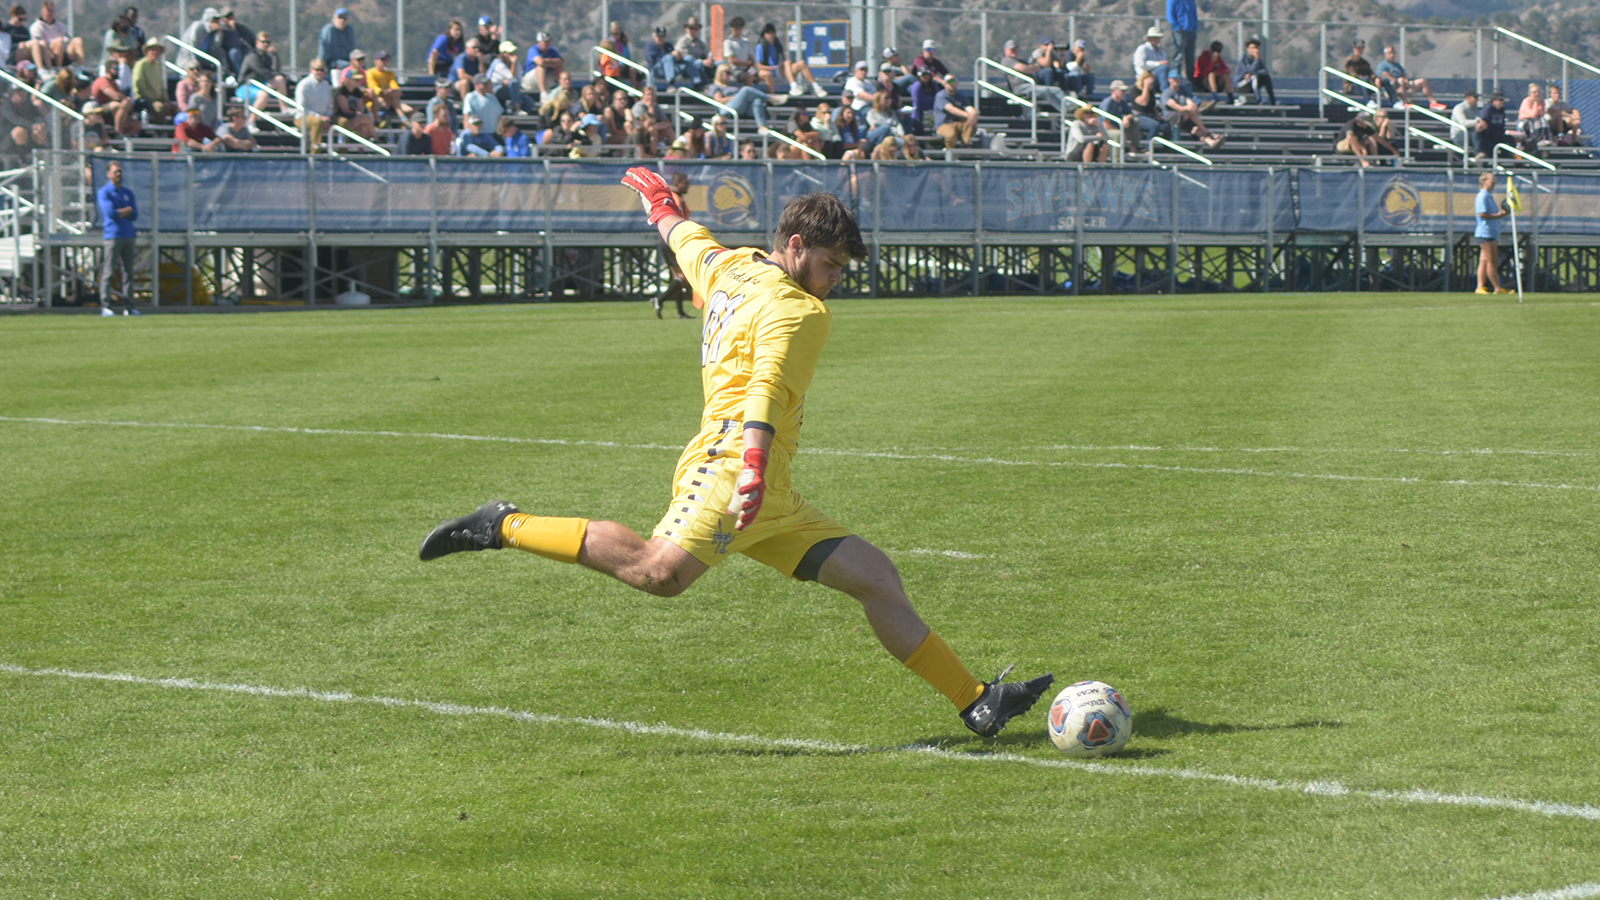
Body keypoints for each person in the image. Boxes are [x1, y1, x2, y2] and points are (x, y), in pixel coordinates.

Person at [420, 174, 1056, 740]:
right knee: (657, 572)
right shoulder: (798, 310)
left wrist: (660, 203)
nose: (837, 280)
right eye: (832, 264)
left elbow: (683, 238)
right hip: (733, 466)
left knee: (876, 578)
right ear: (798, 246)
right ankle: (500, 524)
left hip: (768, 491)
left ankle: (977, 702)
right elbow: (767, 387)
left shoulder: (733, 266)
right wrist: (752, 466)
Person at [650, 171, 694, 318]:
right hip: (673, 238)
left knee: (677, 277)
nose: (688, 185)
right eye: (685, 183)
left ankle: (680, 312)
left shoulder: (676, 197)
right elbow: (675, 218)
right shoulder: (676, 199)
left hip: (670, 238)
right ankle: (659, 299)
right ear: (677, 184)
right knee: (684, 277)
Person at [97, 159, 138, 315]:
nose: (119, 174)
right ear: (109, 174)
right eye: (116, 171)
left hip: (129, 234)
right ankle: (106, 306)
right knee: (109, 271)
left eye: (120, 171)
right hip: (113, 235)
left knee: (128, 272)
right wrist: (125, 211)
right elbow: (110, 213)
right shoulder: (105, 192)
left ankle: (129, 307)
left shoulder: (128, 192)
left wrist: (123, 211)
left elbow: (134, 213)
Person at [757, 21, 825, 98]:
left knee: (802, 63)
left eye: (772, 33)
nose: (771, 35)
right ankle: (793, 86)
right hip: (773, 72)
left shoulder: (776, 45)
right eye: (768, 33)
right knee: (787, 62)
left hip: (781, 72)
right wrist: (773, 67)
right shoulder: (761, 47)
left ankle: (816, 86)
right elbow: (759, 66)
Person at [1473, 171, 1513, 294]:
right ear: (1484, 182)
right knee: (1492, 261)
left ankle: (1480, 286)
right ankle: (1497, 287)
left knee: (1484, 261)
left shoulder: (1488, 196)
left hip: (1491, 232)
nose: (1494, 184)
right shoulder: (1482, 196)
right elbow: (1482, 214)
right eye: (1492, 181)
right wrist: (1497, 216)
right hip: (1486, 232)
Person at [1161, 72, 1224, 150]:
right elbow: (1177, 107)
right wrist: (1188, 108)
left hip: (1185, 118)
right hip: (1172, 117)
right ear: (1169, 80)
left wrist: (1191, 106)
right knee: (1190, 113)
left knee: (1195, 128)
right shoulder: (1166, 93)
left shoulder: (1183, 89)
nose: (1177, 81)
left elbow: (1190, 101)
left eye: (1178, 79)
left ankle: (1210, 142)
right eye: (1174, 79)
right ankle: (1208, 132)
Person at [1375, 45, 1444, 110]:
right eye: (1390, 53)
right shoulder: (1382, 65)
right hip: (1392, 89)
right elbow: (1382, 75)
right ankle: (1405, 102)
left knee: (1422, 81)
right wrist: (1393, 79)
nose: (1392, 55)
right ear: (1385, 54)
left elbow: (1403, 75)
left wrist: (1406, 81)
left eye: (1393, 53)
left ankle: (1433, 103)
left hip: (1404, 86)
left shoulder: (1397, 65)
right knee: (1401, 80)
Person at [709, 63, 770, 132]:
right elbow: (719, 100)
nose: (729, 75)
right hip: (726, 108)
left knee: (757, 101)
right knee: (746, 89)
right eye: (727, 73)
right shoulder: (716, 86)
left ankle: (761, 126)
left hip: (741, 107)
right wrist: (734, 98)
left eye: (730, 73)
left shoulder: (734, 85)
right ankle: (770, 98)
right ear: (720, 73)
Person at [1102, 78, 1158, 153]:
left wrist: (1127, 117)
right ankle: (1117, 162)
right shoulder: (1108, 103)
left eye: (1125, 91)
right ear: (1114, 90)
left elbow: (1131, 114)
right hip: (1106, 130)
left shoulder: (1122, 102)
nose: (1124, 93)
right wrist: (1121, 132)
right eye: (1122, 91)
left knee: (1135, 121)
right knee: (1118, 135)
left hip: (1119, 127)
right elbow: (1106, 125)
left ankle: (1134, 148)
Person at [238, 31, 288, 111]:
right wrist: (276, 75)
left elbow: (275, 71)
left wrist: (276, 56)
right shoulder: (252, 56)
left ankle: (284, 108)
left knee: (280, 79)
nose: (266, 44)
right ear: (257, 42)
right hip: (246, 87)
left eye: (268, 42)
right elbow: (264, 72)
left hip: (260, 85)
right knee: (263, 94)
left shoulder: (267, 57)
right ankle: (252, 120)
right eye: (263, 42)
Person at [294, 58, 334, 150]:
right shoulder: (304, 84)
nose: (319, 72)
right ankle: (315, 153)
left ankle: (344, 155)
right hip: (302, 117)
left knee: (342, 122)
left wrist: (328, 117)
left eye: (322, 70)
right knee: (317, 121)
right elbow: (301, 107)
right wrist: (319, 117)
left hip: (323, 117)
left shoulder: (327, 86)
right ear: (311, 70)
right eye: (317, 69)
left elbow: (329, 106)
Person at [28, 1, 80, 69]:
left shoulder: (62, 26)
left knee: (78, 40)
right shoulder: (36, 27)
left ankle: (80, 69)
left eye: (53, 11)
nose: (51, 13)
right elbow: (40, 43)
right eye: (48, 10)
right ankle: (56, 68)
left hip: (64, 53)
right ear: (42, 11)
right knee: (59, 41)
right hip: (46, 55)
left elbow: (68, 40)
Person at [130, 36, 171, 123]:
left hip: (158, 99)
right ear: (147, 51)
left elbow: (161, 85)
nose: (155, 52)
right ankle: (159, 132)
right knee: (160, 108)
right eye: (152, 50)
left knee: (174, 108)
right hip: (145, 99)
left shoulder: (158, 66)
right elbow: (139, 86)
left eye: (157, 50)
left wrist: (166, 100)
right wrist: (154, 98)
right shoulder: (140, 64)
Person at [932, 73, 978, 149]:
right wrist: (968, 115)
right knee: (951, 135)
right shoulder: (941, 95)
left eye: (953, 82)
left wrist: (974, 114)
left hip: (957, 123)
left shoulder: (961, 96)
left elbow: (969, 108)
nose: (952, 84)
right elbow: (951, 109)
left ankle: (965, 146)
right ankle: (950, 154)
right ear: (945, 84)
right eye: (949, 82)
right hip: (944, 124)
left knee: (970, 122)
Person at [366, 50, 412, 124]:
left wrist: (389, 92)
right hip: (378, 101)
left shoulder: (390, 74)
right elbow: (373, 87)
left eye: (387, 59)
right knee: (393, 99)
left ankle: (404, 123)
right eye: (383, 59)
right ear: (375, 61)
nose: (385, 62)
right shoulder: (370, 72)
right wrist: (385, 92)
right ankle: (403, 119)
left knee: (411, 110)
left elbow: (395, 87)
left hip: (390, 100)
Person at [669, 16, 712, 89]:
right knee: (696, 62)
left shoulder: (701, 43)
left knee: (719, 64)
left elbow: (706, 54)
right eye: (692, 28)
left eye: (696, 28)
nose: (694, 31)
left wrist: (710, 60)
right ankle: (700, 84)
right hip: (686, 68)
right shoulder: (683, 41)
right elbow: (686, 58)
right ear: (687, 29)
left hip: (700, 67)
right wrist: (702, 62)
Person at [1167, 0, 1198, 89]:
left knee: (1190, 57)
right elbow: (1170, 12)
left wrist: (1195, 26)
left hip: (1191, 30)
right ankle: (1175, 80)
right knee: (1178, 57)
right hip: (1180, 31)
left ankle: (1191, 81)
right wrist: (1176, 26)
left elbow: (1193, 13)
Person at [1235, 38, 1275, 105]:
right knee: (1255, 77)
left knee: (1265, 77)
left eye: (1256, 47)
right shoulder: (1244, 60)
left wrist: (1256, 72)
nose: (1255, 50)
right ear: (1248, 49)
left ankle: (1272, 100)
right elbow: (1250, 70)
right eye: (1253, 48)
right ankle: (1258, 100)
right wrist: (1256, 60)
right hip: (1242, 85)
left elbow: (1265, 71)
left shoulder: (1259, 60)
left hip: (1252, 83)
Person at [1194, 41, 1234, 105]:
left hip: (1216, 81)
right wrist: (1212, 62)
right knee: (1211, 74)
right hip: (1203, 82)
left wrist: (1217, 72)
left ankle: (1231, 97)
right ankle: (1215, 97)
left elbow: (1226, 69)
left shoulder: (1219, 58)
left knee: (1225, 75)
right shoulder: (1202, 58)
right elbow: (1203, 73)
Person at [486, 41, 521, 113]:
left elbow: (519, 79)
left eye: (513, 52)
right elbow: (512, 78)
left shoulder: (516, 63)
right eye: (509, 53)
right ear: (503, 54)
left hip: (507, 88)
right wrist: (514, 63)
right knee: (513, 85)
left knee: (529, 103)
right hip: (494, 89)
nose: (512, 55)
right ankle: (517, 108)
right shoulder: (498, 64)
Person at [524, 31, 563, 97]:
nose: (547, 43)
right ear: (539, 42)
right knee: (541, 67)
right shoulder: (533, 49)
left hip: (546, 78)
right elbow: (541, 62)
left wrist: (548, 61)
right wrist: (552, 63)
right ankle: (543, 94)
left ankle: (557, 88)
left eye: (549, 41)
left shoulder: (552, 50)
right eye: (545, 42)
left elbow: (561, 61)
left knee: (559, 67)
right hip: (531, 81)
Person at [1475, 90, 1509, 162]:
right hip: (1488, 135)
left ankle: (1513, 159)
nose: (1502, 102)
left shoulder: (1501, 110)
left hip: (1498, 134)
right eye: (1500, 100)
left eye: (1502, 100)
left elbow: (1501, 126)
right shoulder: (1488, 109)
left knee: (1509, 139)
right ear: (1494, 101)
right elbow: (1484, 123)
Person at [320, 8, 355, 73]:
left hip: (347, 62)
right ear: (334, 18)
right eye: (340, 17)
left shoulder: (349, 30)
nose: (342, 20)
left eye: (345, 18)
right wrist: (322, 67)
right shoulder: (329, 30)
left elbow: (352, 49)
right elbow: (324, 51)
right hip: (332, 64)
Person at [1517, 83, 1550, 149]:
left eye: (1538, 92)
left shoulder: (1541, 101)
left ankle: (1544, 139)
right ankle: (1534, 139)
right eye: (1534, 92)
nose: (1537, 94)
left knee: (1543, 120)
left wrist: (1538, 104)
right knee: (1534, 122)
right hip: (1525, 121)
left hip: (1536, 119)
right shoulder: (1526, 101)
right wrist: (1535, 103)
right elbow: (1533, 115)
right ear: (1530, 93)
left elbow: (1541, 113)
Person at [722, 16, 755, 84]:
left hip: (748, 70)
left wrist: (752, 67)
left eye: (740, 27)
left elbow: (751, 58)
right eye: (736, 28)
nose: (738, 30)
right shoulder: (728, 42)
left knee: (766, 75)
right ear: (732, 28)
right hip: (735, 71)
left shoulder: (746, 42)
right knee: (748, 77)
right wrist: (746, 63)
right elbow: (732, 60)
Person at [1451, 89, 1480, 154]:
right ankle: (1478, 153)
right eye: (1475, 97)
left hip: (1470, 134)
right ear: (1468, 98)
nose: (1477, 100)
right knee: (1475, 131)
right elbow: (1463, 123)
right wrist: (1477, 122)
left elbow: (1479, 120)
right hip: (1459, 136)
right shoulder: (1459, 108)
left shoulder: (1476, 109)